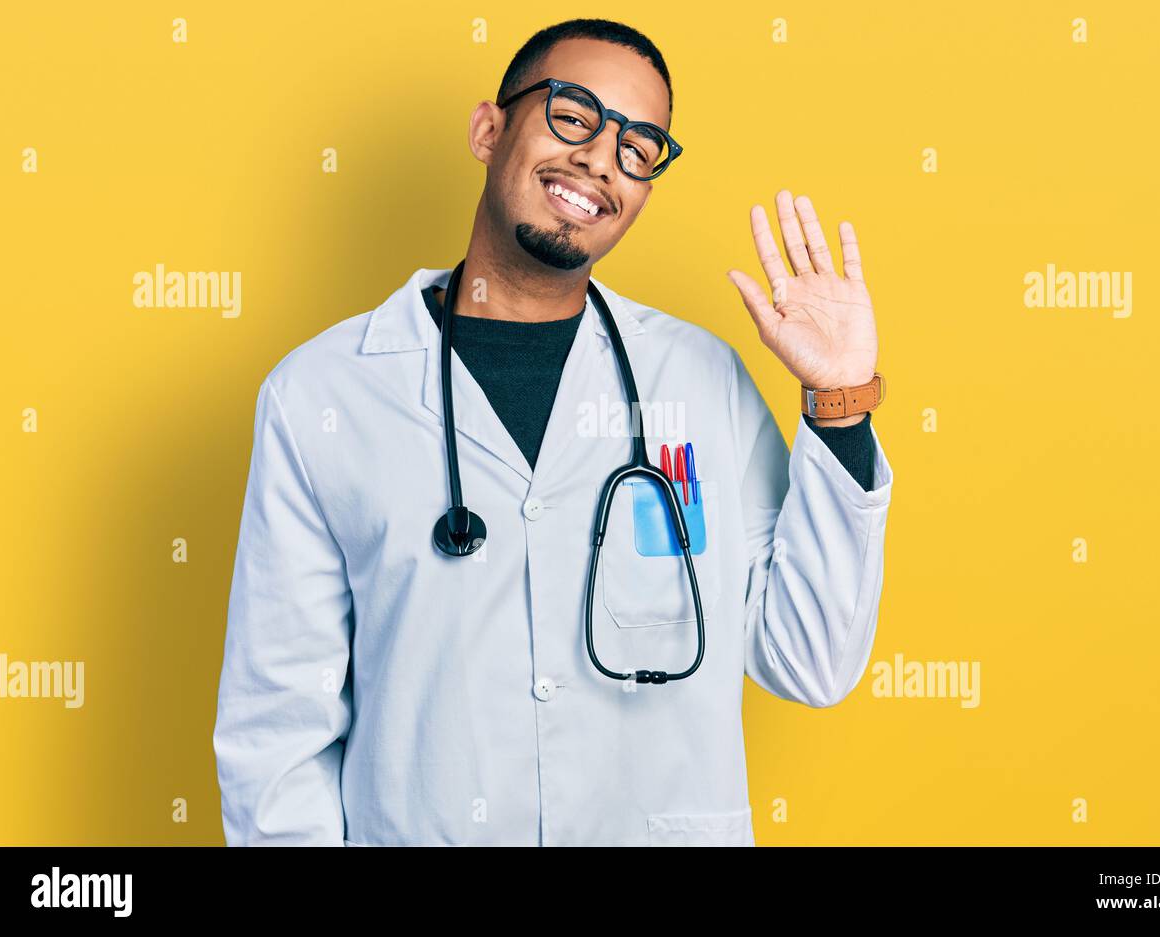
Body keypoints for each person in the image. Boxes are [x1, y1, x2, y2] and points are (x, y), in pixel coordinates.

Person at [213, 17, 893, 846]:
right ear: (488, 130)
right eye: (573, 114)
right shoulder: (323, 394)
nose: (602, 159)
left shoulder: (700, 381)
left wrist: (840, 402)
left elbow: (811, 658)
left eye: (640, 147)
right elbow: (277, 737)